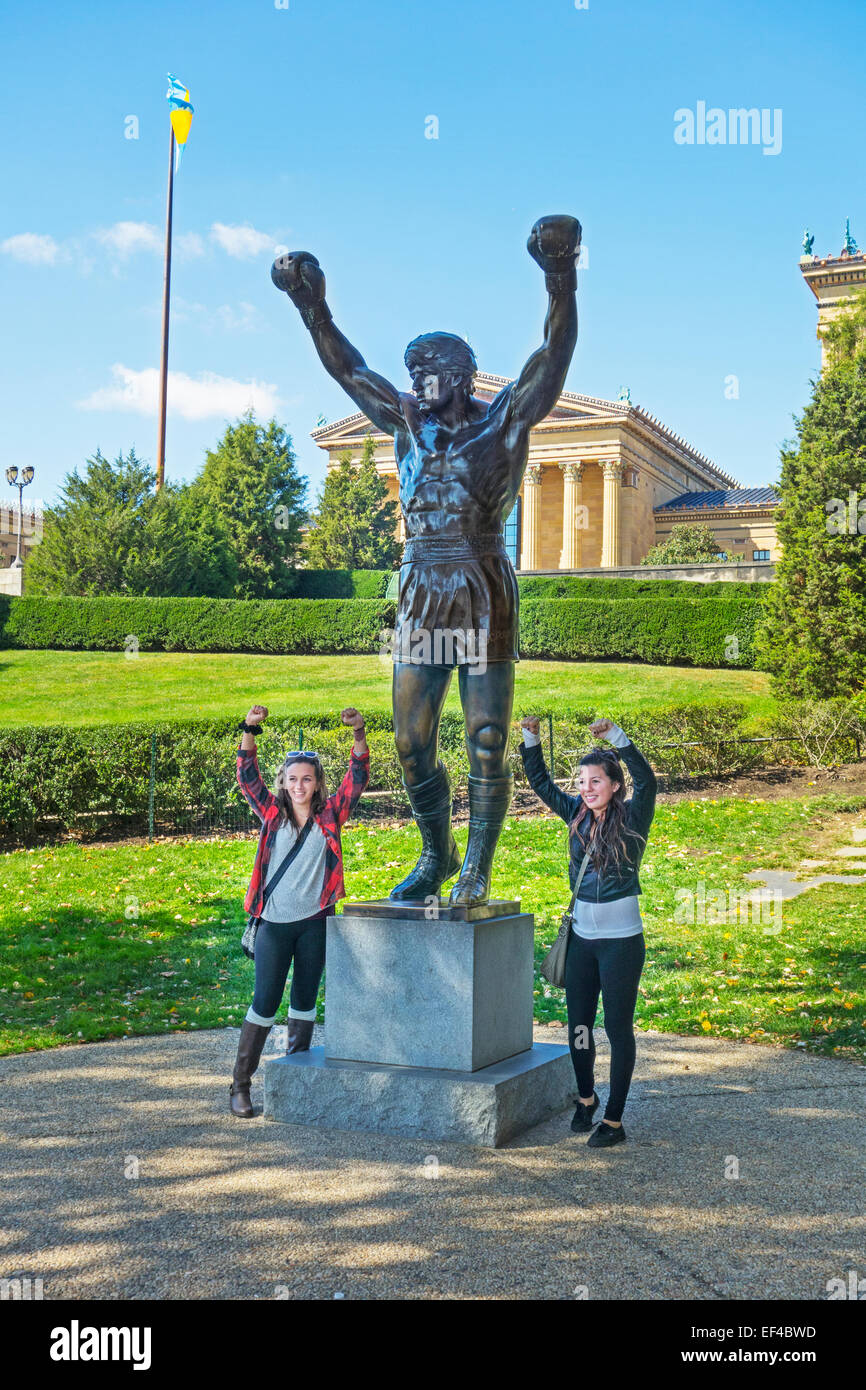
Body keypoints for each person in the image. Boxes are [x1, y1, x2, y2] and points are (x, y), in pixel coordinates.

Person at [270, 213, 580, 906]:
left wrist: (560, 276)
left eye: (426, 370)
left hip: (480, 580)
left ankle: (476, 869)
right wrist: (311, 304)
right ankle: (436, 855)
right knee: (412, 743)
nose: (415, 380)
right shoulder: (406, 423)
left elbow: (551, 358)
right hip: (419, 585)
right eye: (412, 371)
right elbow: (348, 367)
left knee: (488, 737)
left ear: (460, 374)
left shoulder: (505, 421)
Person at [519, 715, 657, 1148]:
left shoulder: (635, 815)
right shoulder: (576, 814)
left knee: (618, 1029)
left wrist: (618, 738)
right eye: (581, 780)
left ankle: (614, 1120)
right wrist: (530, 739)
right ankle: (586, 1097)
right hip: (580, 941)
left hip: (621, 944)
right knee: (578, 1025)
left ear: (614, 784)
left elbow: (647, 779)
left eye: (595, 780)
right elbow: (541, 784)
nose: (586, 787)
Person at [229, 703, 370, 1118]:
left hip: (315, 923)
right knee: (265, 1002)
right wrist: (249, 730)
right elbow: (246, 776)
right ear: (283, 782)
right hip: (274, 924)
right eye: (292, 779)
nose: (298, 786)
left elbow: (358, 776)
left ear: (317, 783)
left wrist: (358, 731)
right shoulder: (272, 815)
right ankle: (240, 1085)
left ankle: (297, 1080)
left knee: (305, 1001)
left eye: (306, 779)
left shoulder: (331, 815)